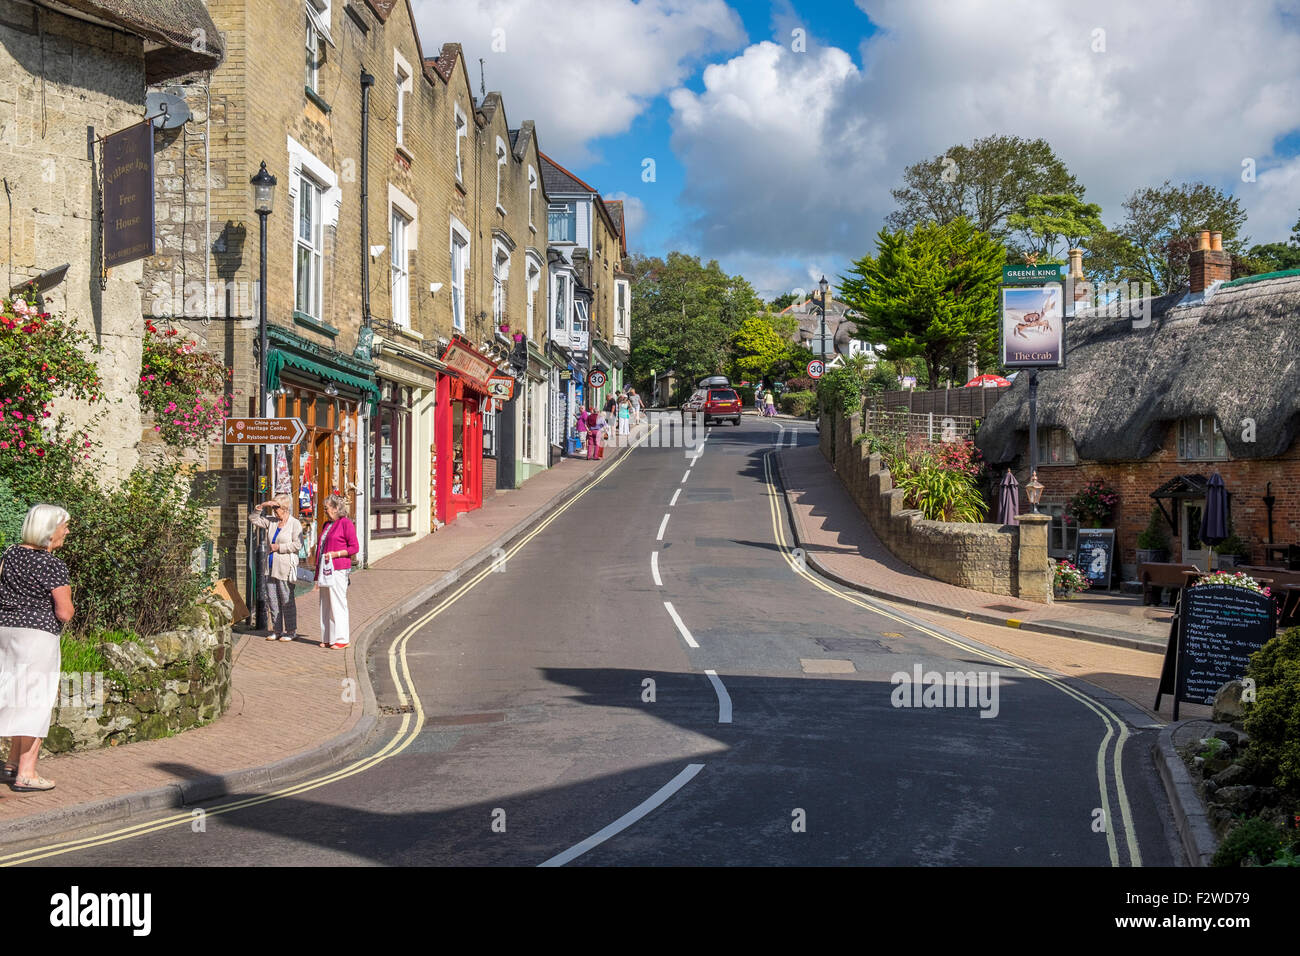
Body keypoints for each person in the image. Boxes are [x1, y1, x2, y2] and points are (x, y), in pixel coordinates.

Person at [0, 504, 73, 792]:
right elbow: (65, 612)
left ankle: (11, 763)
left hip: (5, 632)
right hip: (36, 638)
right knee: (35, 701)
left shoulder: (10, 554)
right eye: (63, 526)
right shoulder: (52, 564)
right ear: (49, 530)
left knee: (16, 695)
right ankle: (27, 774)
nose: (66, 531)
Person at [249, 495, 303, 642]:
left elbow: (298, 544)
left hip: (285, 567)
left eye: (276, 507)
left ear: (285, 508)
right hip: (270, 566)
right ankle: (277, 630)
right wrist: (261, 505)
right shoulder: (271, 521)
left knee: (286, 599)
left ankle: (291, 631)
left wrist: (280, 547)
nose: (274, 510)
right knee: (272, 599)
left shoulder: (294, 523)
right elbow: (253, 519)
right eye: (272, 507)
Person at [313, 493, 359, 649]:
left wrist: (336, 554)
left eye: (327, 508)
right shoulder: (327, 525)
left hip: (339, 568)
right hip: (325, 569)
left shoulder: (345, 523)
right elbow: (320, 549)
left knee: (338, 602)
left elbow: (354, 547)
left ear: (335, 508)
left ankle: (342, 638)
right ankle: (328, 638)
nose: (325, 511)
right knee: (325, 603)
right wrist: (316, 574)